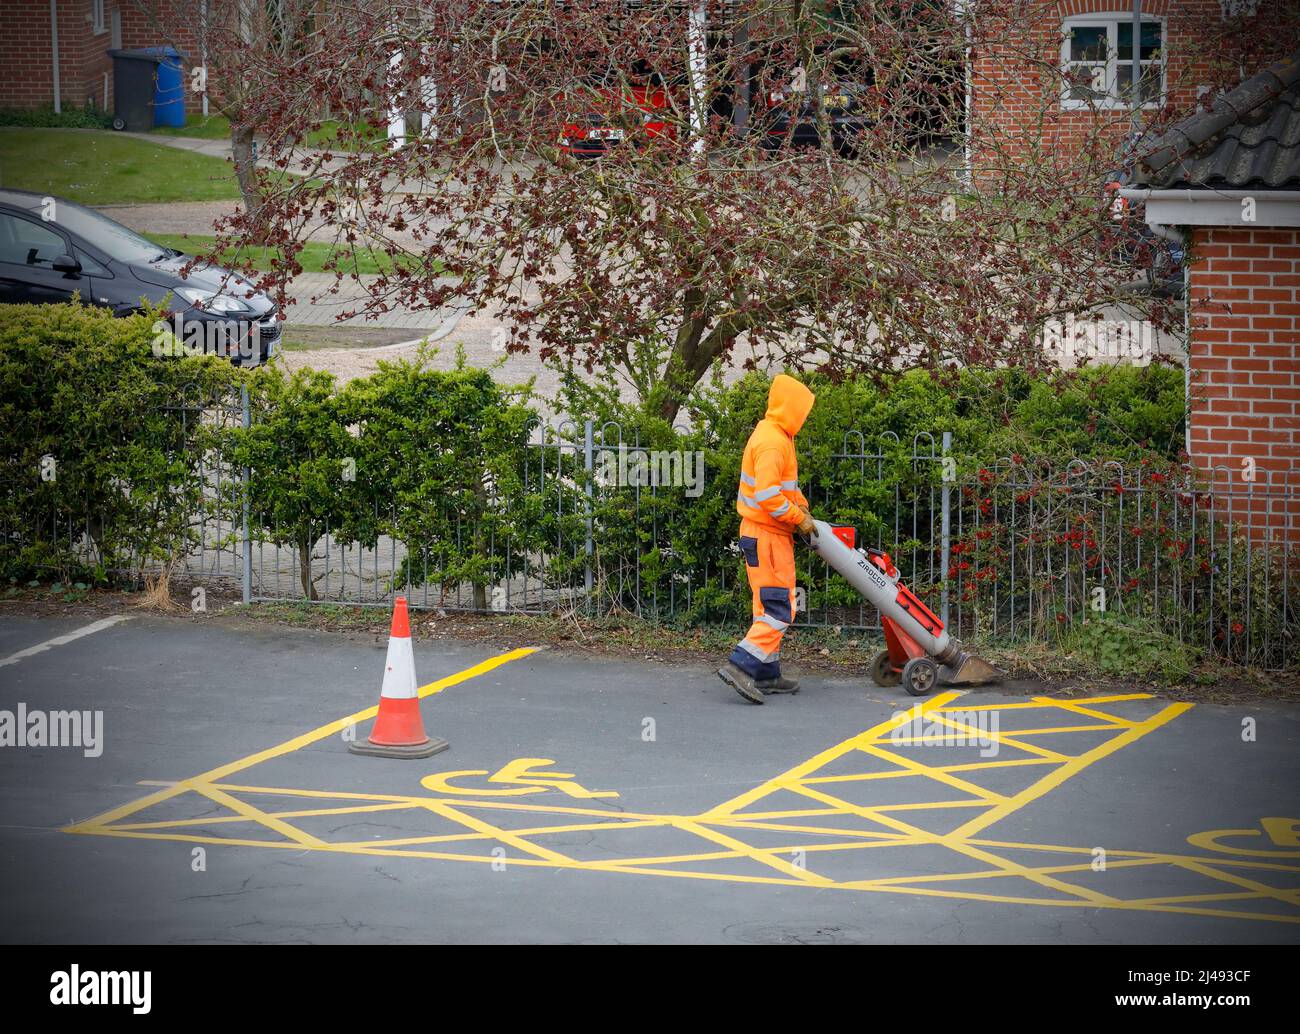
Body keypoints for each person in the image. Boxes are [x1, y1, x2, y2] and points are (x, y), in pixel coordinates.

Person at [717, 373, 817, 705]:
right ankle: (741, 666)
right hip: (767, 536)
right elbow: (770, 498)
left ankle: (766, 673)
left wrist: (801, 506)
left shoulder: (777, 435)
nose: (804, 418)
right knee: (779, 607)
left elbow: (785, 488)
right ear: (792, 409)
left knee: (767, 605)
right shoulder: (773, 442)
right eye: (803, 411)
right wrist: (798, 518)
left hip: (766, 535)